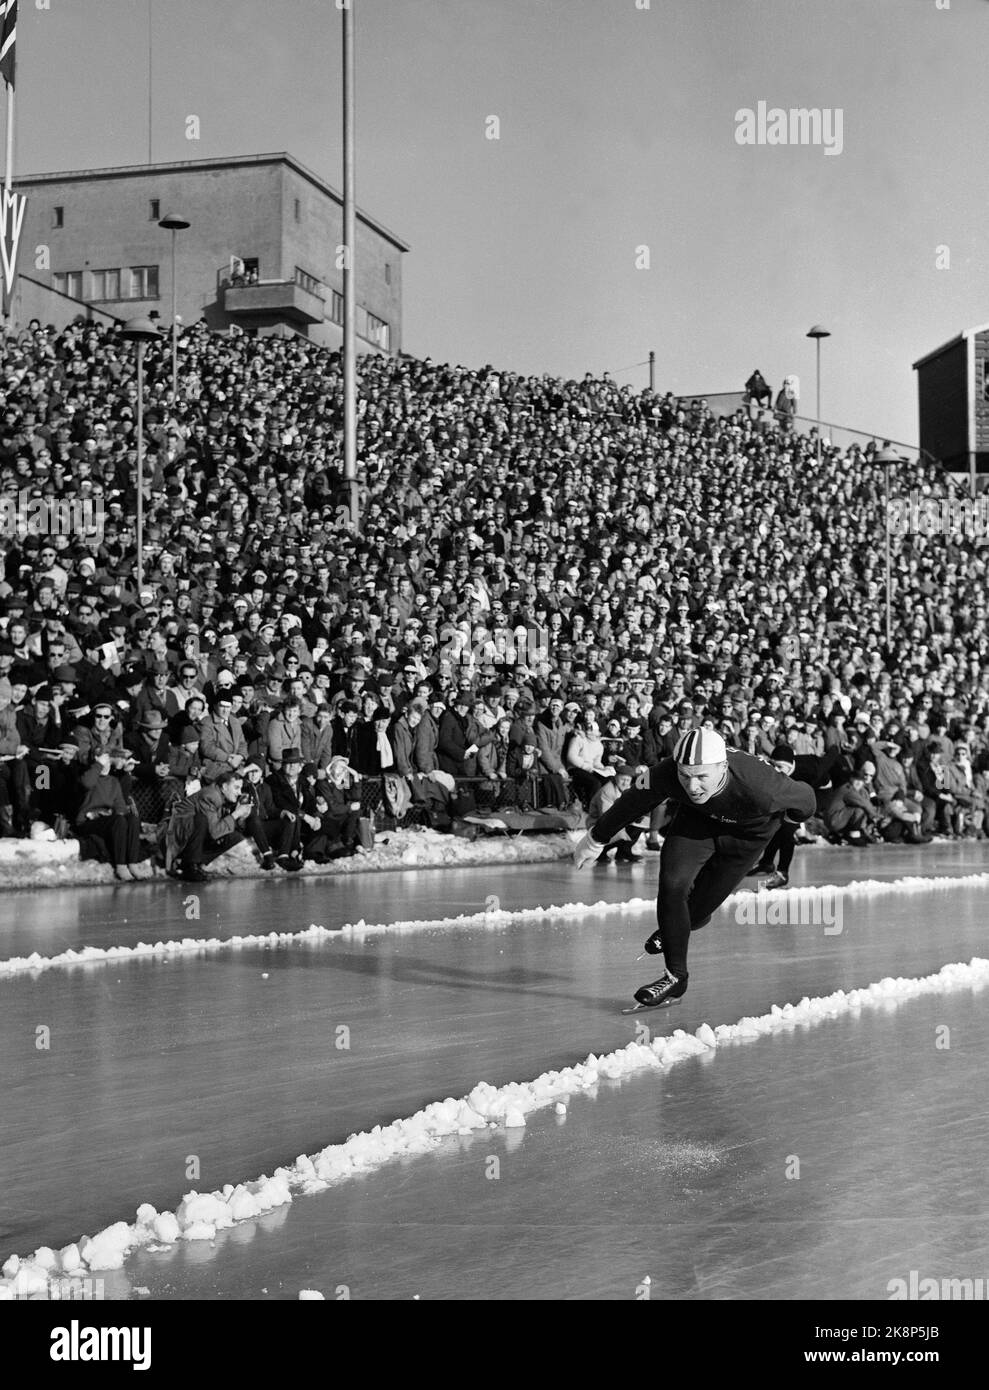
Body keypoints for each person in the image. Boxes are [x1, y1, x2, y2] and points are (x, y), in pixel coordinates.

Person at [572, 727, 816, 1010]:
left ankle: (679, 926)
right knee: (673, 886)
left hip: (746, 839)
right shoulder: (665, 772)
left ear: (723, 767)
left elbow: (807, 800)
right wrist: (594, 839)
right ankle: (676, 977)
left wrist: (789, 820)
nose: (693, 786)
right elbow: (631, 803)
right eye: (685, 776)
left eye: (702, 777)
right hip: (697, 823)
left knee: (698, 910)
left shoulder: (762, 786)